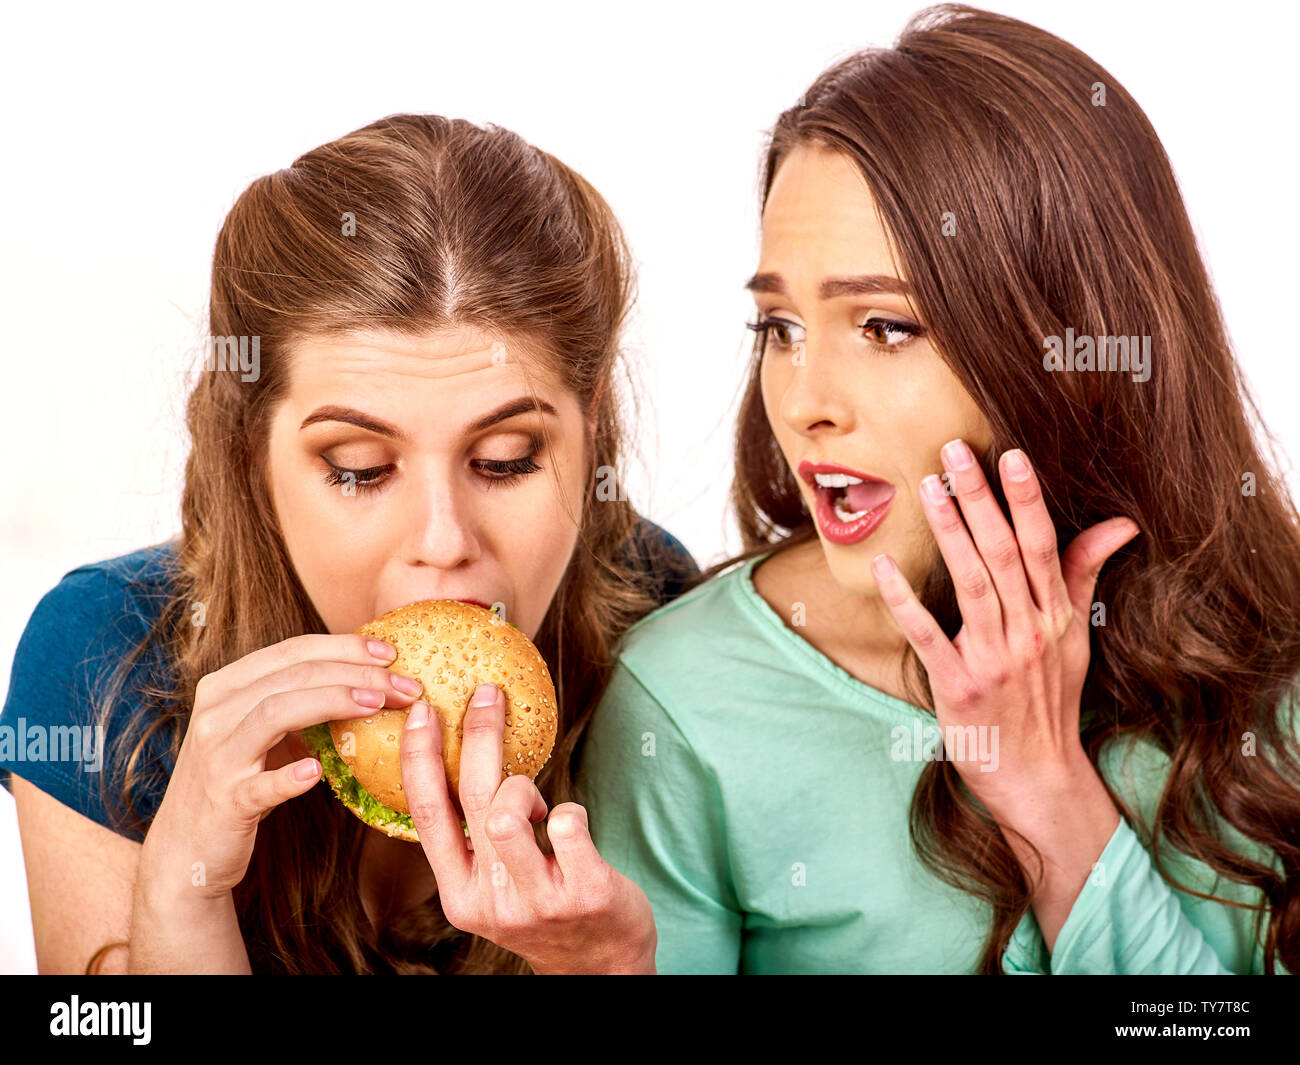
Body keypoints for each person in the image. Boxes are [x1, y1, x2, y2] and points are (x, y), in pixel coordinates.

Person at [576, 4, 1300, 974]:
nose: (804, 402)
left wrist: (1046, 790)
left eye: (883, 327)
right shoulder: (685, 701)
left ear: (1067, 347)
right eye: (779, 328)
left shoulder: (1270, 666)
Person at [0, 114, 696, 974]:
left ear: (591, 425)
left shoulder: (660, 613)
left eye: (506, 460)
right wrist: (180, 902)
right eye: (360, 469)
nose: (442, 543)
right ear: (252, 455)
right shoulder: (103, 665)